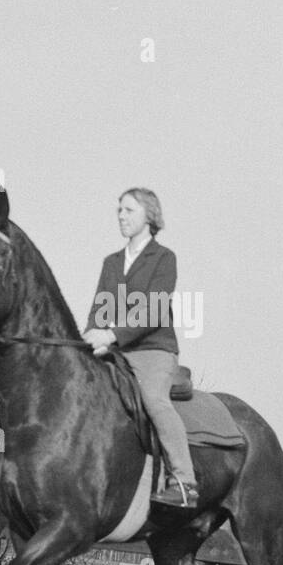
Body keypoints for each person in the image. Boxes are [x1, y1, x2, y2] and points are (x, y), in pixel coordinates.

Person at [82, 188, 198, 508]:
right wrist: (89, 336)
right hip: (115, 349)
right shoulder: (111, 262)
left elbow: (154, 309)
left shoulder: (164, 258)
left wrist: (112, 335)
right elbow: (100, 306)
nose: (121, 215)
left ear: (149, 215)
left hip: (153, 349)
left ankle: (185, 481)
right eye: (119, 210)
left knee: (154, 400)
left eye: (128, 210)